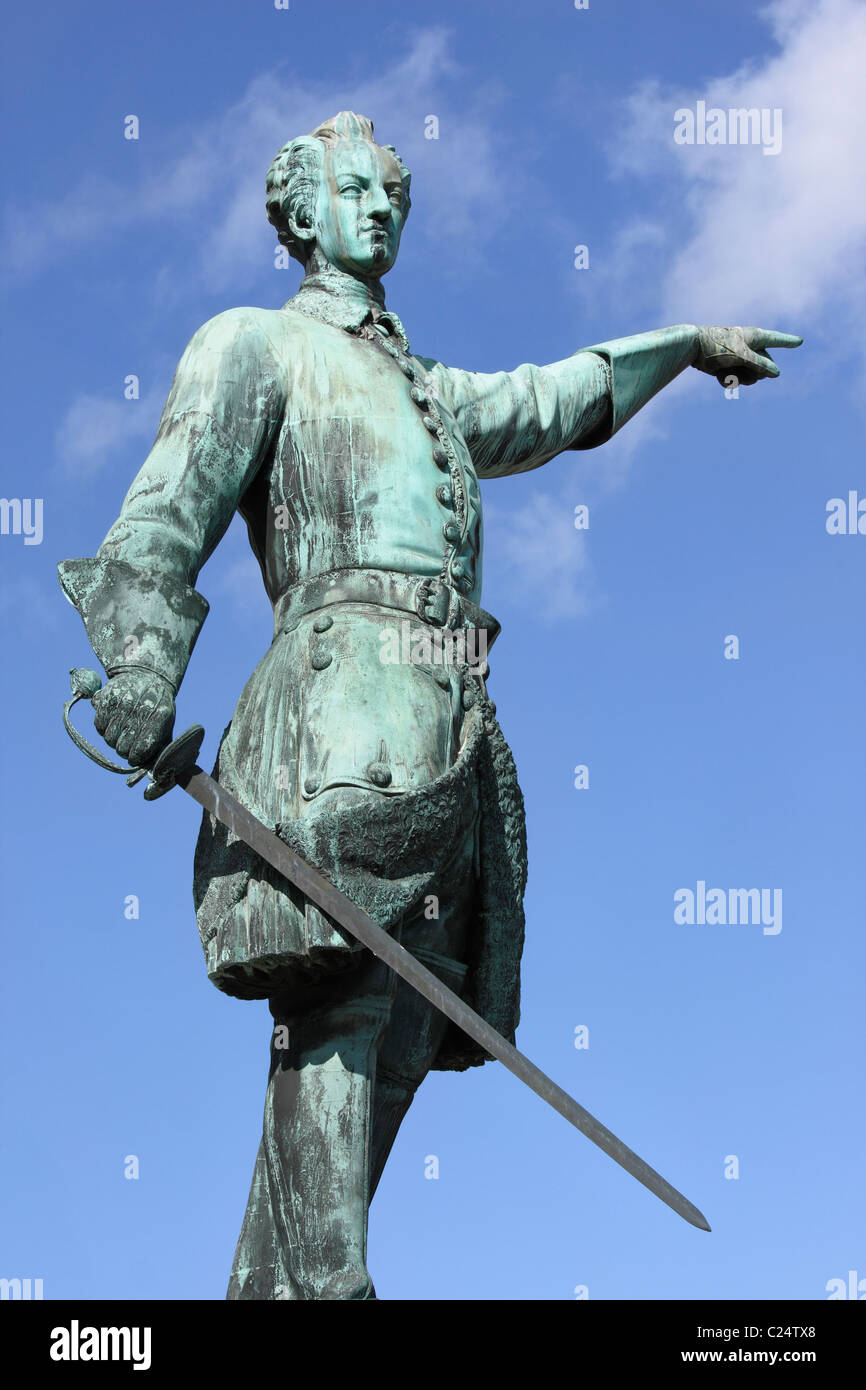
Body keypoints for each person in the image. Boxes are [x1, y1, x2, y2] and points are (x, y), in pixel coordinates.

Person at [58, 110, 801, 1299]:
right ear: (301, 214)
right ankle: (330, 1284)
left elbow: (551, 400)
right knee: (343, 991)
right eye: (355, 190)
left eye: (393, 195)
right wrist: (143, 675)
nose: (381, 209)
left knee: (403, 1015)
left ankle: (286, 1279)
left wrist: (681, 343)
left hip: (447, 720)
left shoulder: (427, 388)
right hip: (335, 710)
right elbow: (159, 520)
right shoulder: (252, 344)